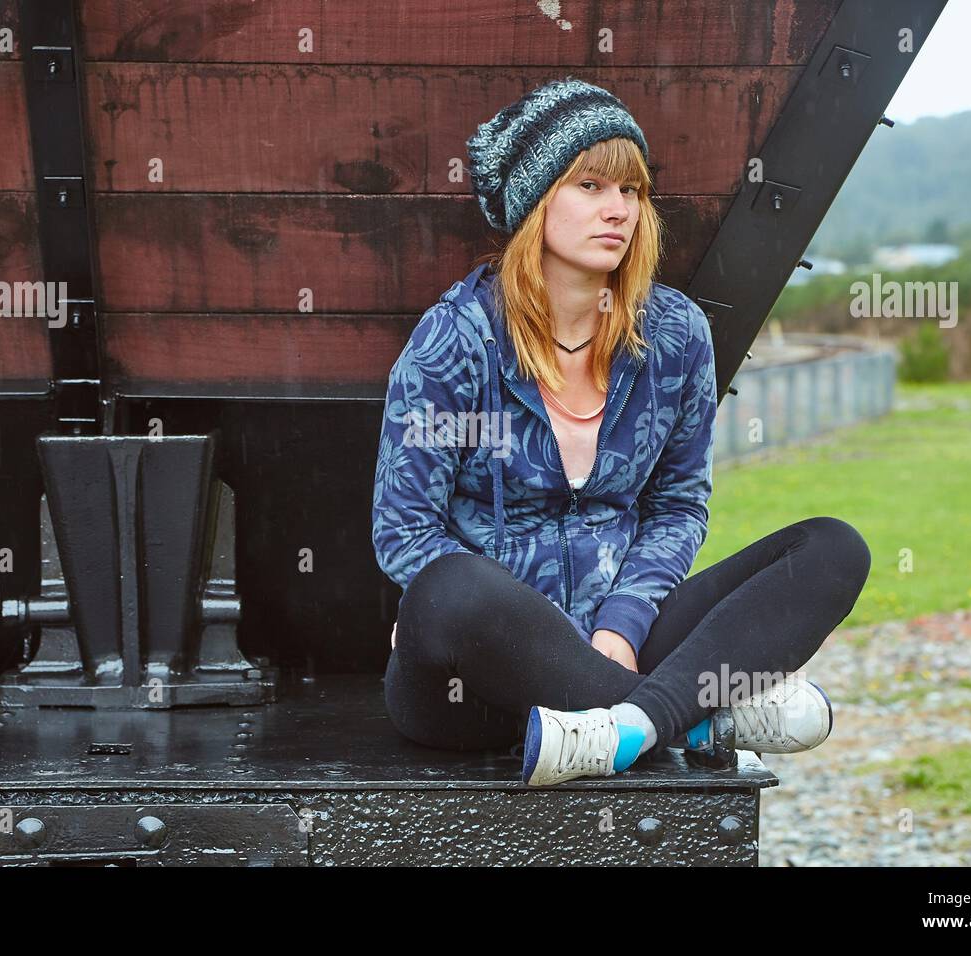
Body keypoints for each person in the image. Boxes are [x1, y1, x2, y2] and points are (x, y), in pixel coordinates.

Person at [371, 77, 871, 787]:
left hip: (626, 642)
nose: (618, 210)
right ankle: (694, 720)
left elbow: (677, 507)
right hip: (478, 685)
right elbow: (405, 534)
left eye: (632, 192)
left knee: (831, 548)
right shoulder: (455, 341)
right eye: (592, 186)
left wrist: (624, 623)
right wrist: (547, 644)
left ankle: (624, 729)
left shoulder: (674, 337)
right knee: (448, 588)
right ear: (536, 202)